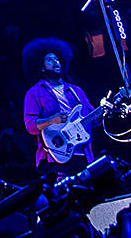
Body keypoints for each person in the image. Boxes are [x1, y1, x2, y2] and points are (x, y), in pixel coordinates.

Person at [20, 38, 96, 170]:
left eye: (57, 59)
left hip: (83, 157)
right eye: (49, 59)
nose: (55, 61)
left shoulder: (76, 90)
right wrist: (51, 120)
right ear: (41, 67)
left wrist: (107, 107)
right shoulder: (34, 93)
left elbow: (94, 120)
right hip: (55, 157)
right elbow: (30, 126)